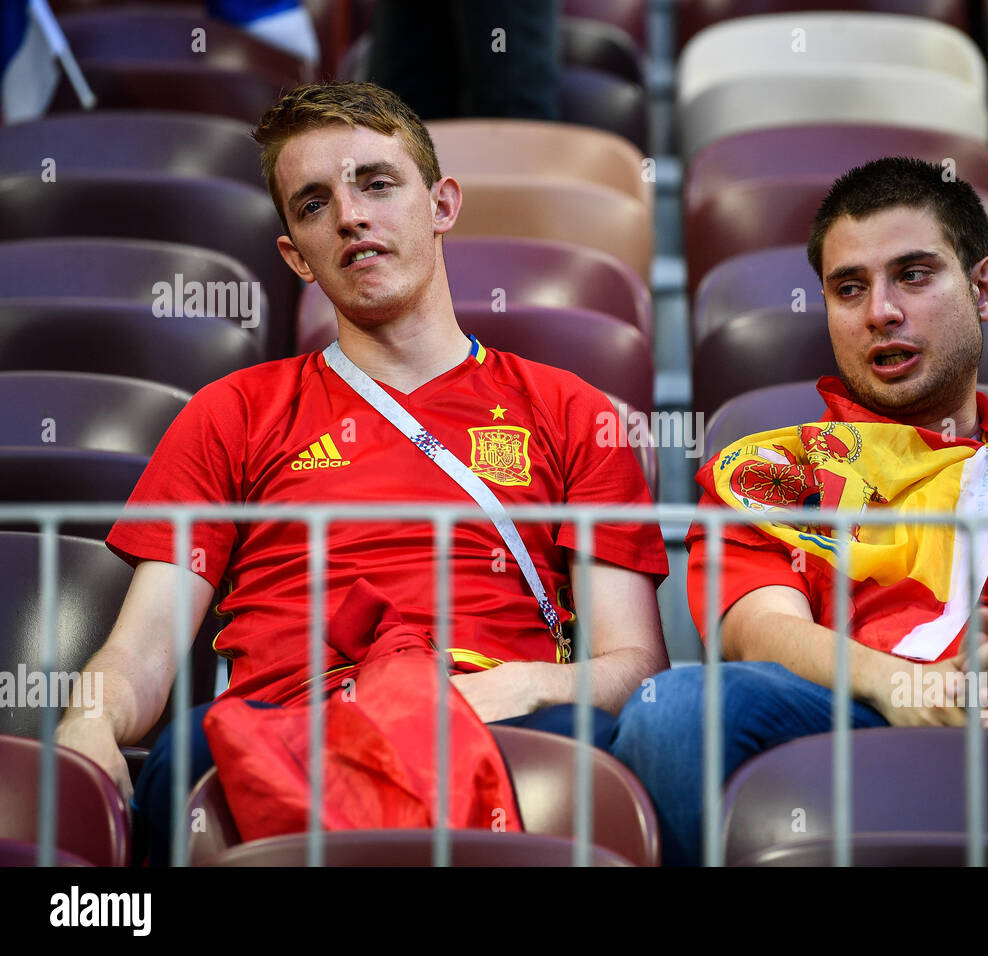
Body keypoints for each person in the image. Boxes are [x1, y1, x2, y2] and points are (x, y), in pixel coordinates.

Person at [55, 81, 668, 861]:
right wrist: (87, 722)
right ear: (295, 257)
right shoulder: (230, 412)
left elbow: (635, 667)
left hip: (502, 715)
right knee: (183, 765)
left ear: (442, 204)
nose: (349, 215)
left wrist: (527, 685)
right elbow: (141, 654)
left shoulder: (574, 410)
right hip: (287, 723)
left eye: (377, 183)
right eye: (313, 205)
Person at [610, 157, 988, 866]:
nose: (881, 312)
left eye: (914, 274)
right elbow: (760, 630)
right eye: (849, 288)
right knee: (679, 709)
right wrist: (894, 682)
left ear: (985, 288)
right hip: (839, 708)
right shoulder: (772, 468)